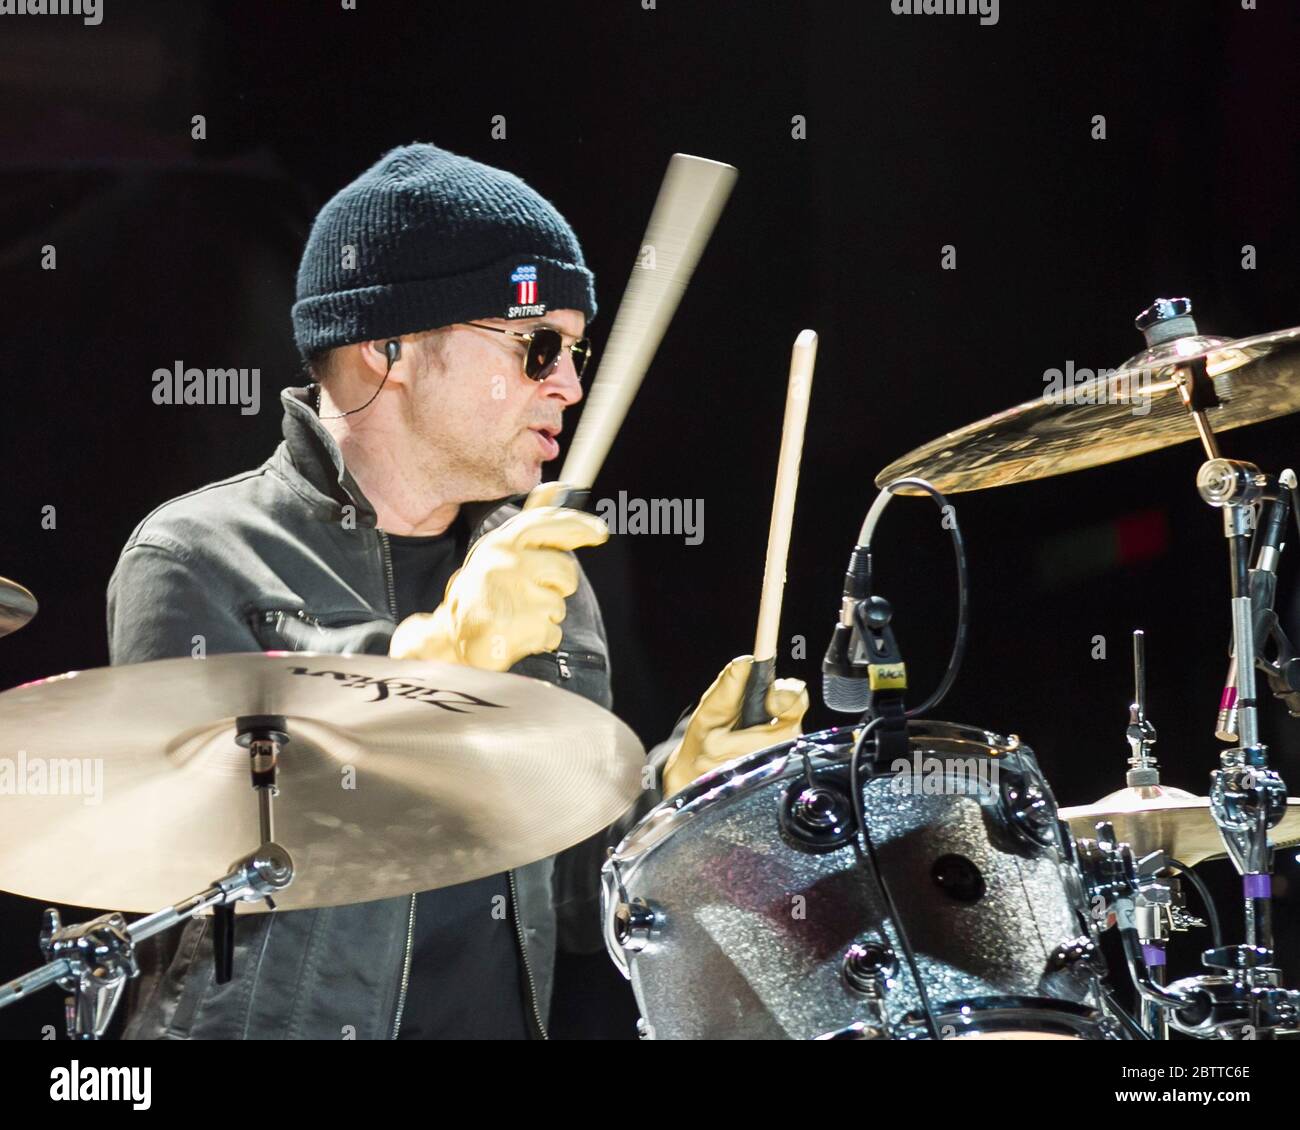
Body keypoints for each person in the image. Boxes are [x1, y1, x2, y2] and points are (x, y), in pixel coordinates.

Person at [107, 143, 807, 1039]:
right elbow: (249, 844)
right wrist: (444, 657)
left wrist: (681, 794)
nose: (571, 384)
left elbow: (569, 888)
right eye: (537, 346)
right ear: (386, 348)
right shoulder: (195, 556)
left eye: (577, 349)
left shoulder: (537, 574)